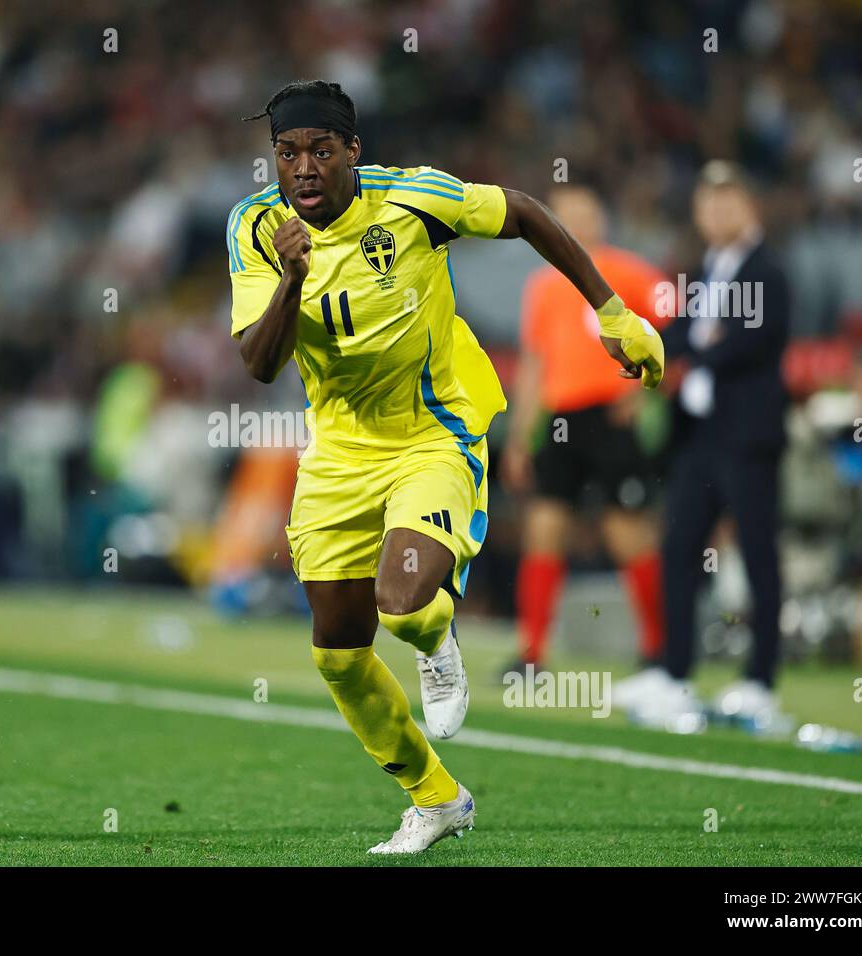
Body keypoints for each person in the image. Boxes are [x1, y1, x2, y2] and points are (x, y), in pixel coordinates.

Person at [227, 80, 664, 853]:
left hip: (433, 430)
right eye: (287, 154)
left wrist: (611, 310)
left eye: (321, 151)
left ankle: (435, 643)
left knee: (403, 603)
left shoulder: (415, 200)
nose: (302, 169)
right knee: (337, 655)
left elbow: (525, 211)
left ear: (352, 152)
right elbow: (260, 365)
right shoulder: (257, 229)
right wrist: (293, 279)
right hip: (337, 452)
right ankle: (437, 799)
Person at [613, 161, 790, 731]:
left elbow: (756, 338)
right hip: (701, 438)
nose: (716, 213)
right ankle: (674, 672)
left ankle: (761, 681)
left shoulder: (768, 270)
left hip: (747, 436)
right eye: (707, 204)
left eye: (728, 201)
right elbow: (685, 334)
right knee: (679, 548)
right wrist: (643, 353)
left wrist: (695, 357)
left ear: (750, 207)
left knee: (759, 554)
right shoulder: (704, 271)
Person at [500, 185, 670, 677]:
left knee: (628, 534)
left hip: (610, 415)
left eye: (583, 213)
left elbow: (673, 333)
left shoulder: (633, 272)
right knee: (544, 530)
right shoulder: (544, 285)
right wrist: (519, 438)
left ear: (603, 220)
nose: (574, 223)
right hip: (561, 420)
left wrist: (642, 393)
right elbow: (534, 364)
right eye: (564, 216)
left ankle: (657, 650)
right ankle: (532, 654)